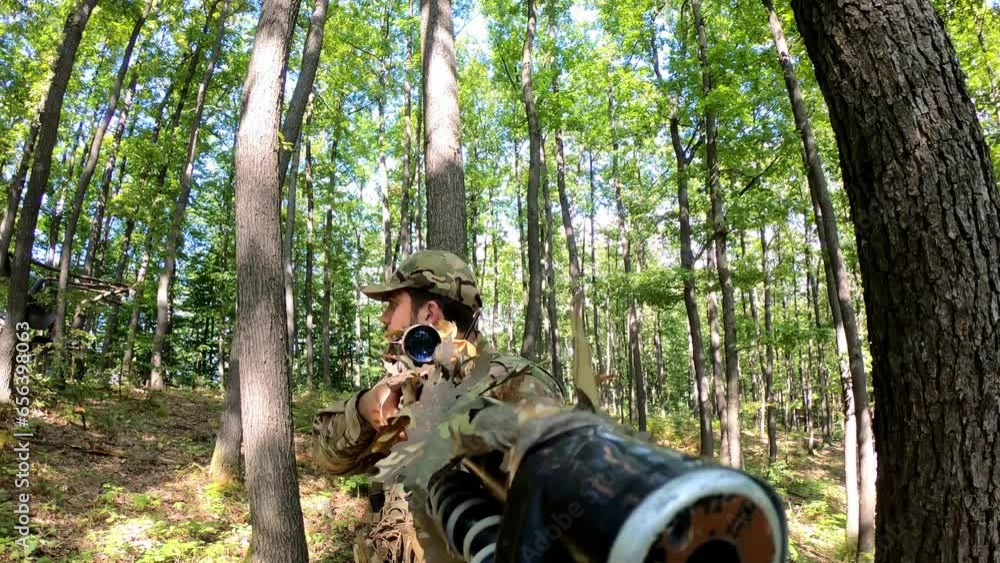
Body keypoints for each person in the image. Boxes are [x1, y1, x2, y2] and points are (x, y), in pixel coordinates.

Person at [311, 250, 562, 563]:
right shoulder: (403, 386)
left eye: (392, 305)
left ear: (429, 312)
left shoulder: (514, 382)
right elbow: (326, 457)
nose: (385, 318)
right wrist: (364, 411)